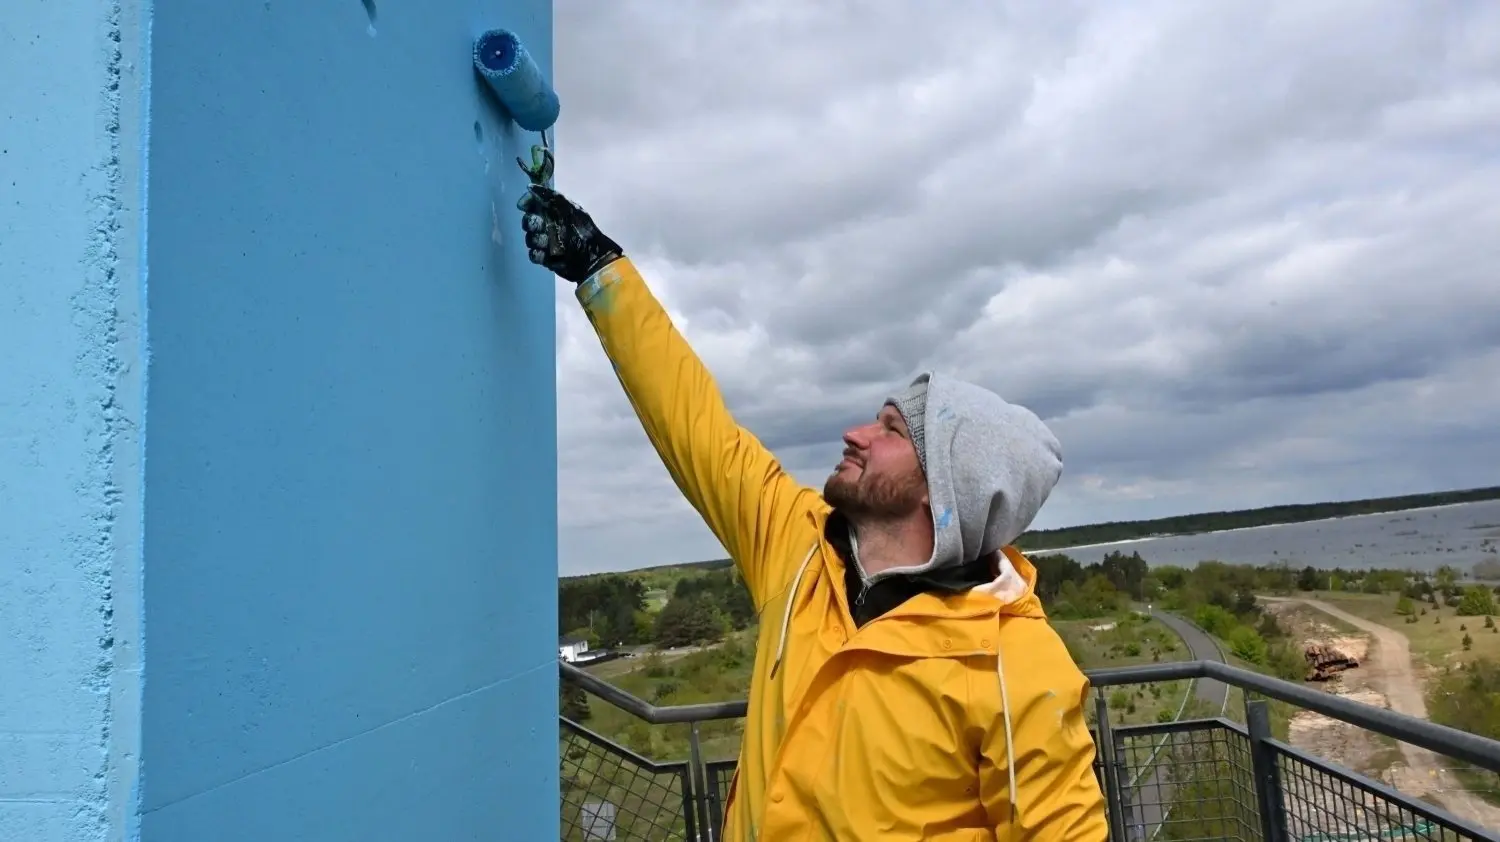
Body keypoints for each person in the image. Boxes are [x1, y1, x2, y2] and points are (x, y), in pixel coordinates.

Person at [520, 184, 1109, 842]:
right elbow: (696, 428)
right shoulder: (798, 550)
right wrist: (602, 269)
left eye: (890, 430)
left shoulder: (1014, 666)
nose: (857, 433)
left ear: (940, 491)